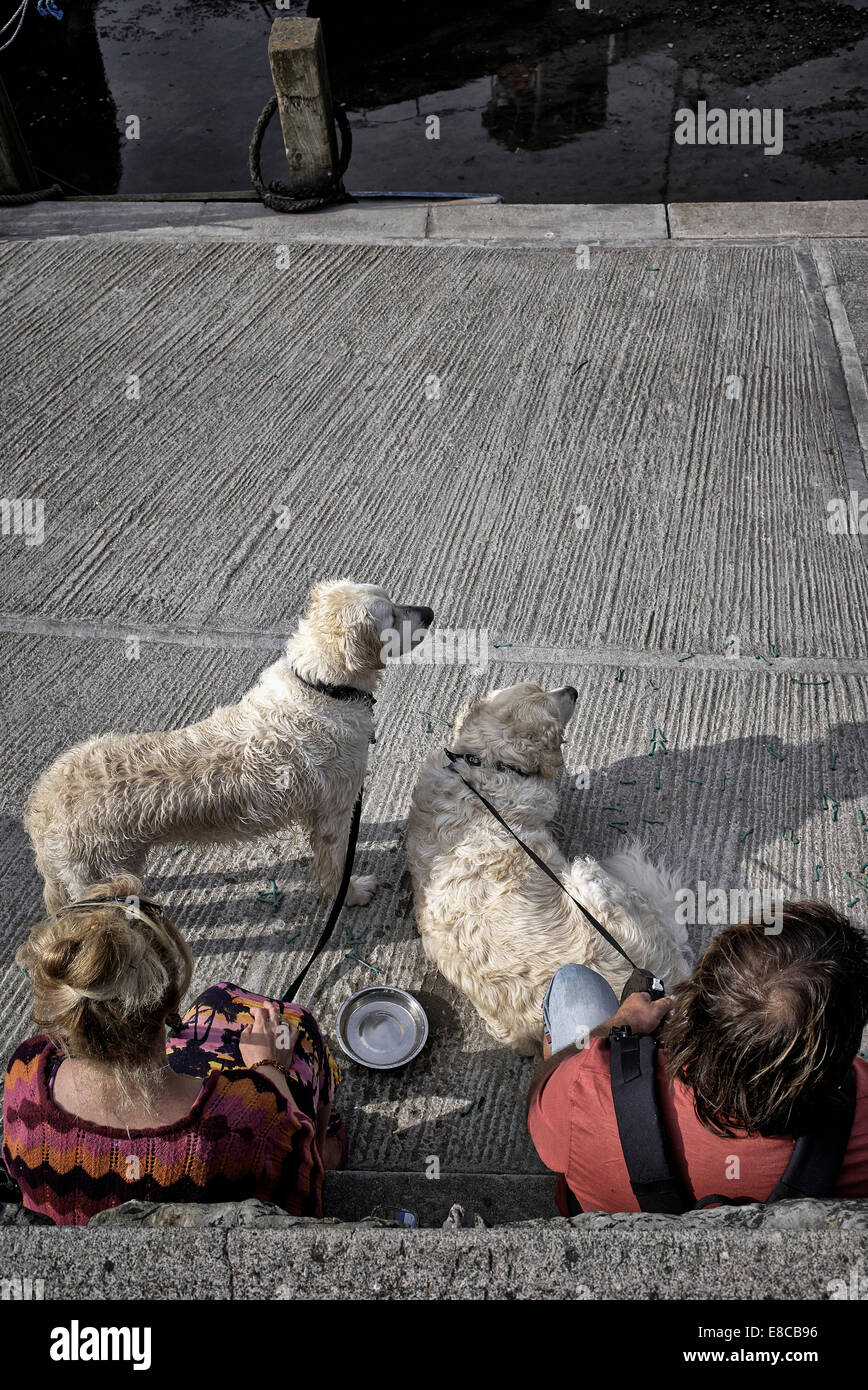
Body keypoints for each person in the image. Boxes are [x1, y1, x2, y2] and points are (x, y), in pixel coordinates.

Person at [2, 877, 345, 1226]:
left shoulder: (27, 1073)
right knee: (296, 1028)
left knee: (216, 1001)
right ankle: (323, 1149)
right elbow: (302, 1212)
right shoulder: (246, 1118)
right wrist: (269, 1066)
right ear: (170, 999)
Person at [527, 900, 868, 1213]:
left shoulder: (586, 1083)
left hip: (607, 1202)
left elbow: (542, 1086)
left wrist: (618, 1025)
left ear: (696, 1004)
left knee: (573, 982)